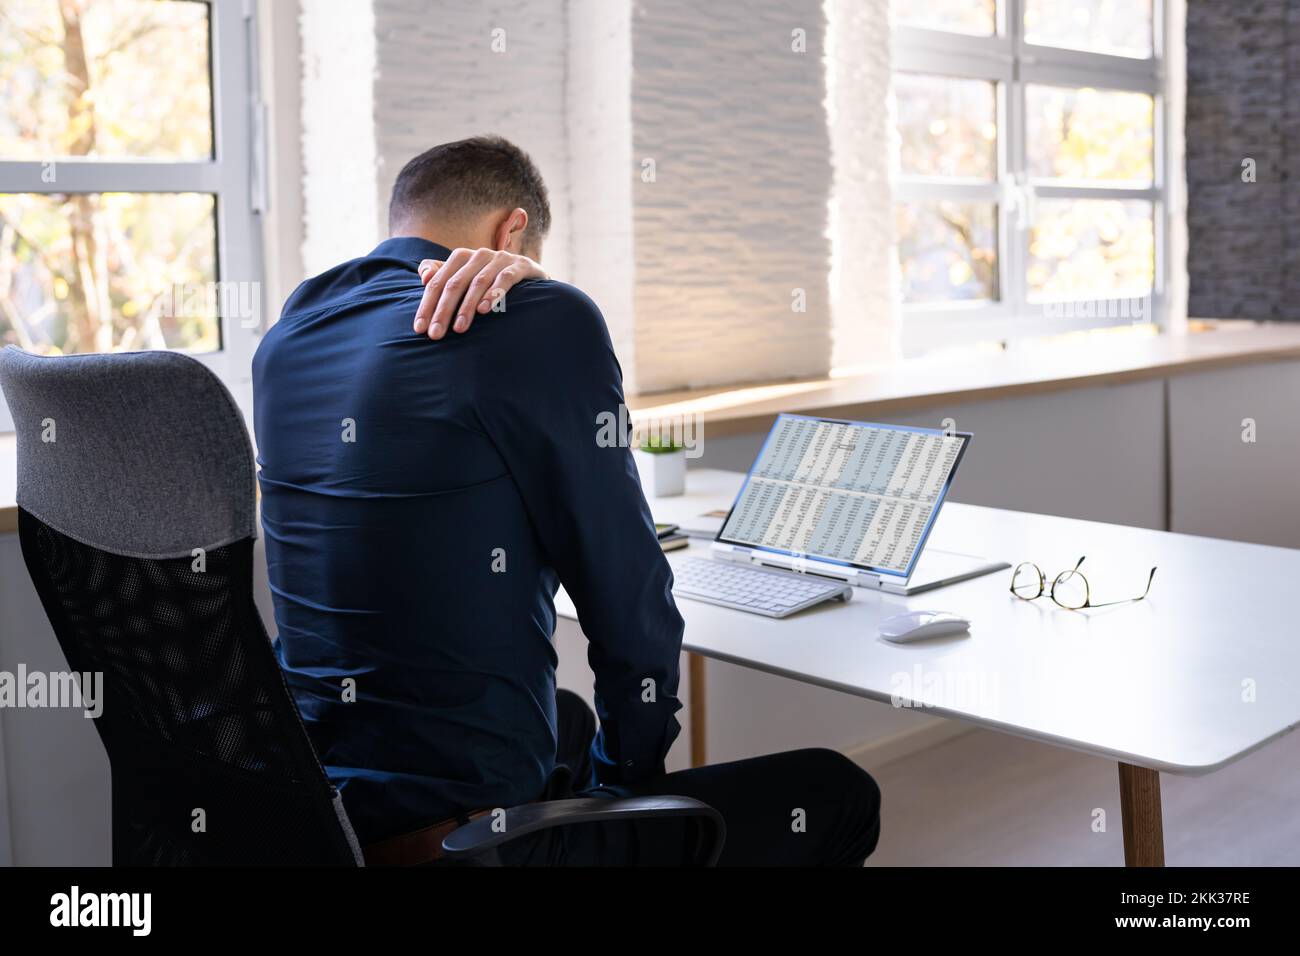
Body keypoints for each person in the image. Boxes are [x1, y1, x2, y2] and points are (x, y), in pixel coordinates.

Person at [253, 134, 880, 865]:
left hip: (327, 813)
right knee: (838, 790)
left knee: (569, 718)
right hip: (467, 842)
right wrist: (634, 784)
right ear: (511, 232)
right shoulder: (534, 318)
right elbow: (628, 599)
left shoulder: (293, 332)